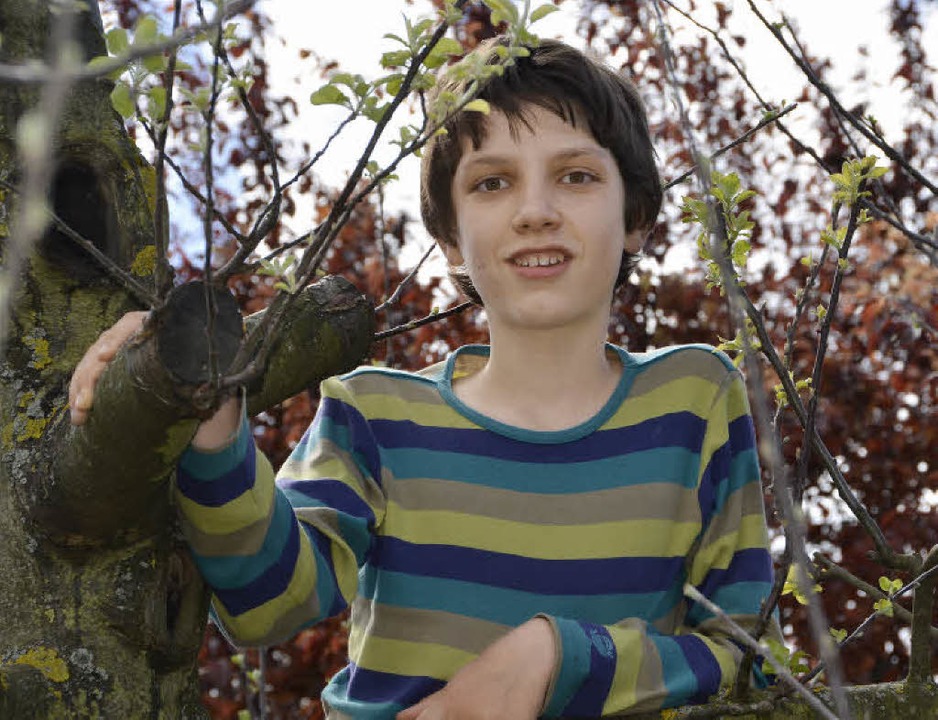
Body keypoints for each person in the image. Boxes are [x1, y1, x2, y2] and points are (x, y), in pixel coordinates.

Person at [70, 36, 776, 720]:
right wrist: (207, 409)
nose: (535, 211)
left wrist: (555, 659)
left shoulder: (695, 402)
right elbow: (266, 601)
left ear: (636, 219)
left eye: (577, 175)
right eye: (492, 182)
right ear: (448, 238)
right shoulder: (376, 416)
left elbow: (747, 656)